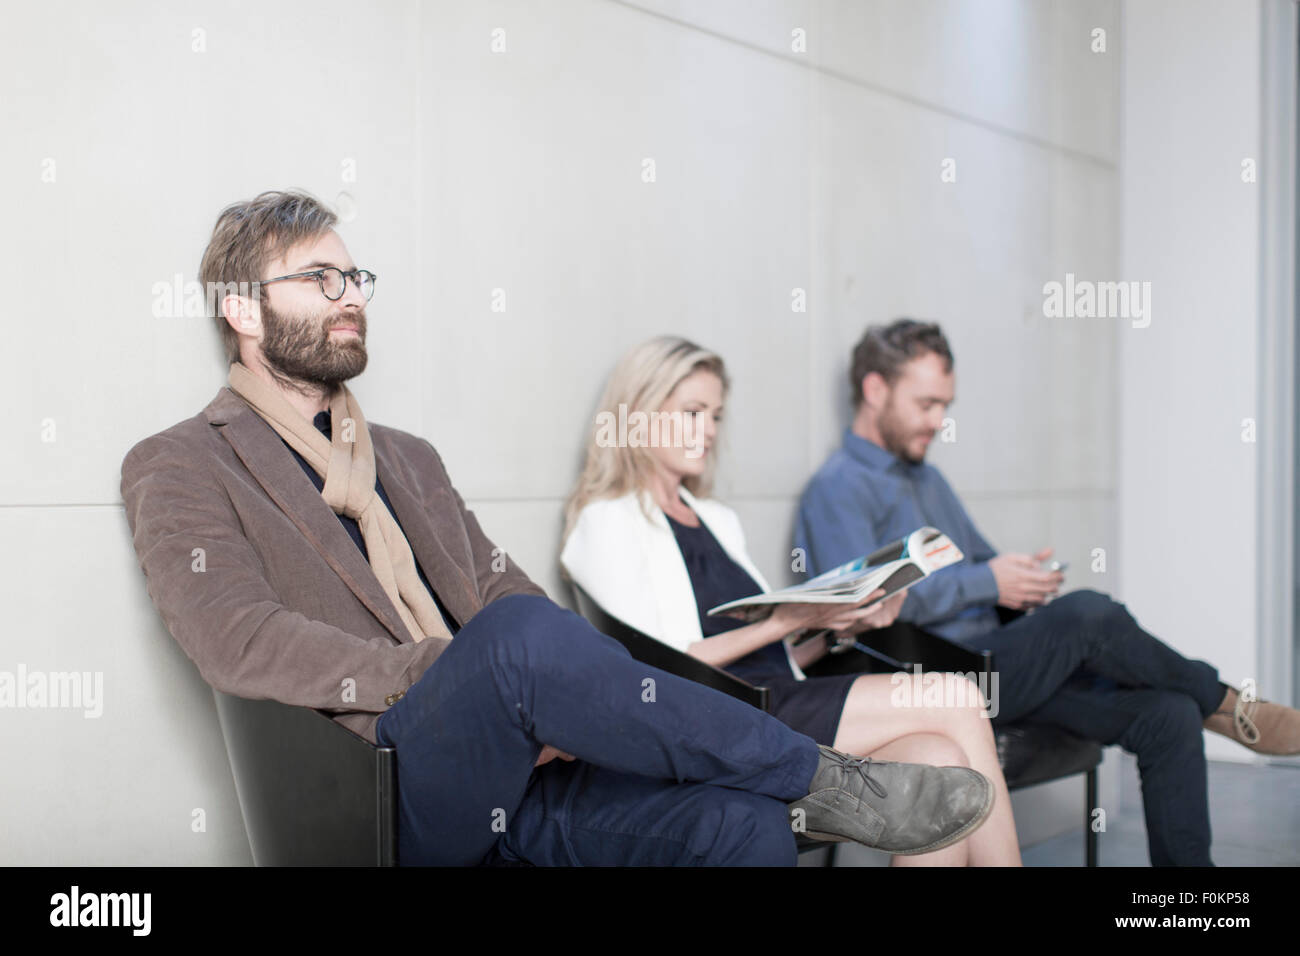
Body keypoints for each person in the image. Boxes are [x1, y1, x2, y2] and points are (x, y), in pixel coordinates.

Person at [119, 191, 996, 867]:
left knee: (739, 823)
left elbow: (502, 583)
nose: (349, 297)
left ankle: (780, 784)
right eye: (321, 280)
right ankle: (816, 774)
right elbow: (239, 640)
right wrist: (461, 677)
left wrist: (553, 698)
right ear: (240, 309)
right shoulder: (182, 463)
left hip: (527, 769)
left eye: (355, 279)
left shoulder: (406, 457)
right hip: (389, 776)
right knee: (512, 642)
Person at [796, 317, 1300, 867]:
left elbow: (975, 564)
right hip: (931, 680)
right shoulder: (837, 487)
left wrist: (1016, 579)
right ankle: (1223, 701)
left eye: (946, 406)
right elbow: (856, 606)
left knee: (1167, 714)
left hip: (997, 662)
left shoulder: (926, 479)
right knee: (1089, 614)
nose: (938, 421)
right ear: (875, 389)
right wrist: (989, 581)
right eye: (927, 404)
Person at [560, 336, 1021, 865]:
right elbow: (652, 673)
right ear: (638, 414)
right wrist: (782, 621)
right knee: (957, 698)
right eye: (692, 412)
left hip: (775, 695)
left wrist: (838, 625)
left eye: (715, 415)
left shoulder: (716, 519)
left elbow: (771, 652)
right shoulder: (606, 522)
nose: (708, 430)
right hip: (723, 719)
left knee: (943, 765)